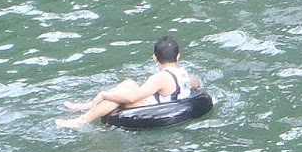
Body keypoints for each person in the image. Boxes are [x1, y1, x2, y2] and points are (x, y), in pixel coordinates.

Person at [55, 36, 200, 128]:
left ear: (155, 58)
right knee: (129, 83)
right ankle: (88, 105)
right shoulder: (183, 72)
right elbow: (195, 84)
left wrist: (104, 95)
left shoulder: (160, 78)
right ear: (178, 56)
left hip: (159, 107)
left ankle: (81, 121)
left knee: (116, 99)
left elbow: (132, 98)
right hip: (170, 100)